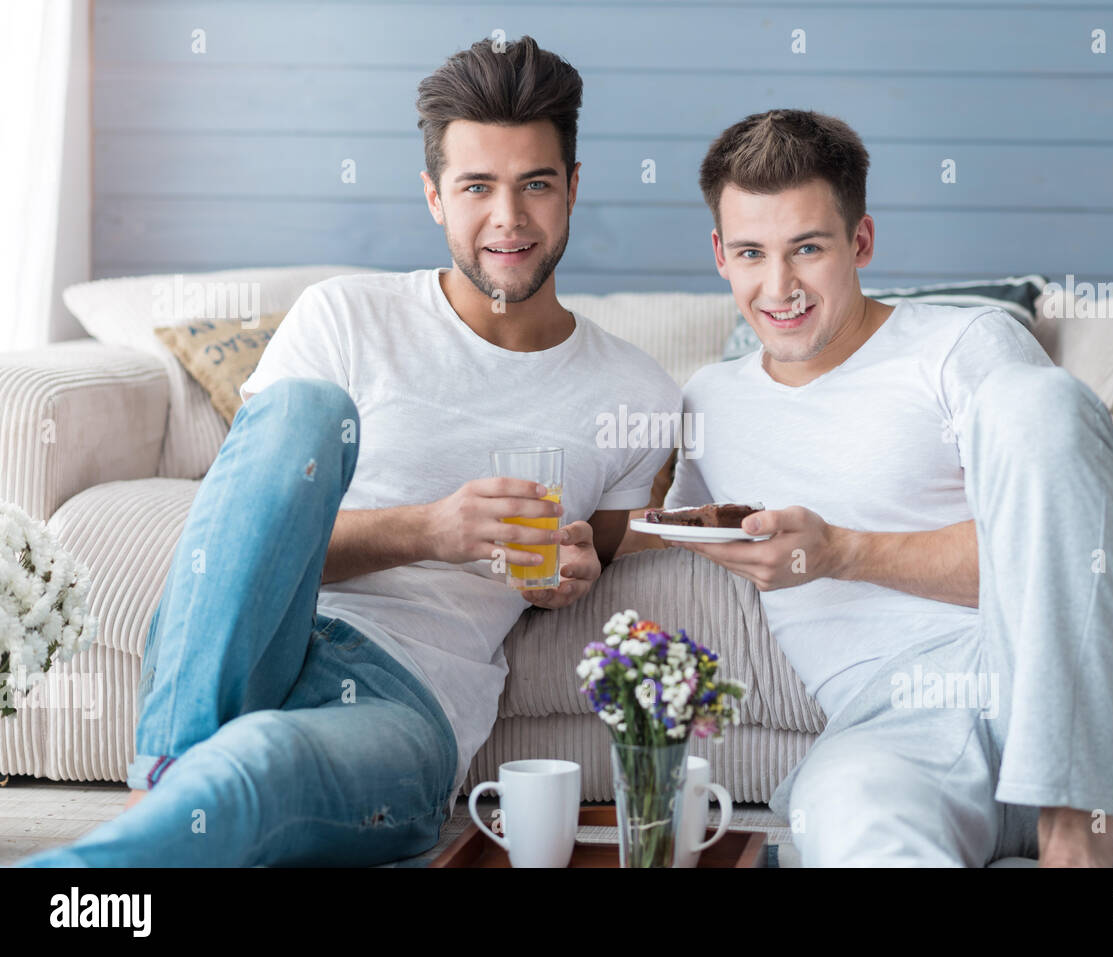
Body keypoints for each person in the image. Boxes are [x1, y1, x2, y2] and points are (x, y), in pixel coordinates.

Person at [15, 35, 679, 867]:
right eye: (477, 186)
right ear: (434, 196)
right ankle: (167, 783)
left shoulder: (637, 393)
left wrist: (571, 574)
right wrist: (431, 530)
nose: (508, 219)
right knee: (306, 408)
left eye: (535, 185)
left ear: (573, 189)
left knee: (250, 767)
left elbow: (602, 553)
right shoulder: (344, 317)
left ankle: (159, 816)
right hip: (259, 644)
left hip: (405, 710)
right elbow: (235, 548)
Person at [634, 108, 1113, 867]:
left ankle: (1071, 834)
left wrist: (840, 551)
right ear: (719, 254)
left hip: (1047, 687)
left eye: (807, 248)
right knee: (848, 813)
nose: (779, 287)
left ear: (862, 241)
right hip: (894, 734)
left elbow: (1068, 541)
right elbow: (656, 525)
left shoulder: (964, 344)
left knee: (1041, 398)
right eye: (752, 252)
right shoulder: (711, 399)